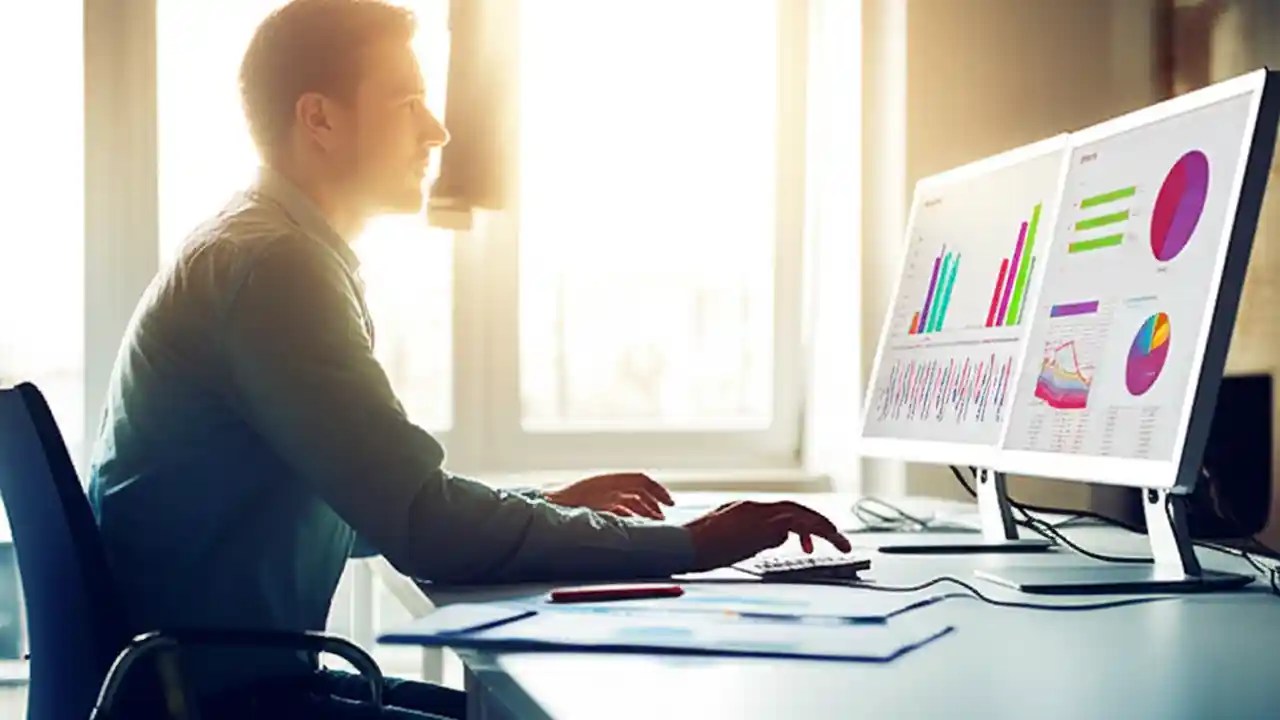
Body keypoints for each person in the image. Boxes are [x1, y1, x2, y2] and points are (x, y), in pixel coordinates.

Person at [87, 1, 851, 717]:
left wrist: (547, 504)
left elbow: (355, 504)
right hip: (225, 703)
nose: (439, 132)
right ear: (319, 118)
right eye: (407, 103)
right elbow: (422, 524)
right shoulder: (274, 270)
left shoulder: (265, 248)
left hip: (210, 684)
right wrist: (690, 544)